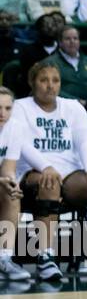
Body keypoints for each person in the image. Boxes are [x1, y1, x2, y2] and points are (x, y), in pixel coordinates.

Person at [0, 62, 87, 281]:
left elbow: (84, 142)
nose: (50, 86)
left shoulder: (73, 107)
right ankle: (45, 256)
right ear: (32, 83)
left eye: (55, 80)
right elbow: (21, 144)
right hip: (31, 170)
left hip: (69, 172)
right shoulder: (18, 107)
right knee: (49, 182)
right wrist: (46, 167)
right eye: (44, 80)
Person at [0, 87, 34, 282]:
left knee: (12, 193)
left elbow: (8, 168)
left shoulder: (15, 127)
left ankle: (4, 258)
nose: (2, 113)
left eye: (7, 108)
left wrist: (11, 183)